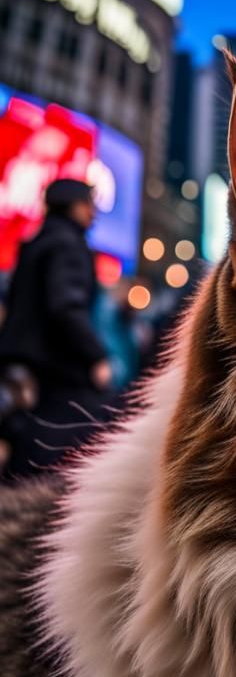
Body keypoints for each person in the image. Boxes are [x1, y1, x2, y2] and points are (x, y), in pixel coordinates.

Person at [0, 179, 112, 476]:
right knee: (53, 460)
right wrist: (95, 356)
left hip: (30, 370)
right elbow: (66, 307)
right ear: (73, 205)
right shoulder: (67, 244)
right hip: (59, 373)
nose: (93, 213)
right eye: (88, 204)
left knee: (24, 458)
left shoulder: (38, 242)